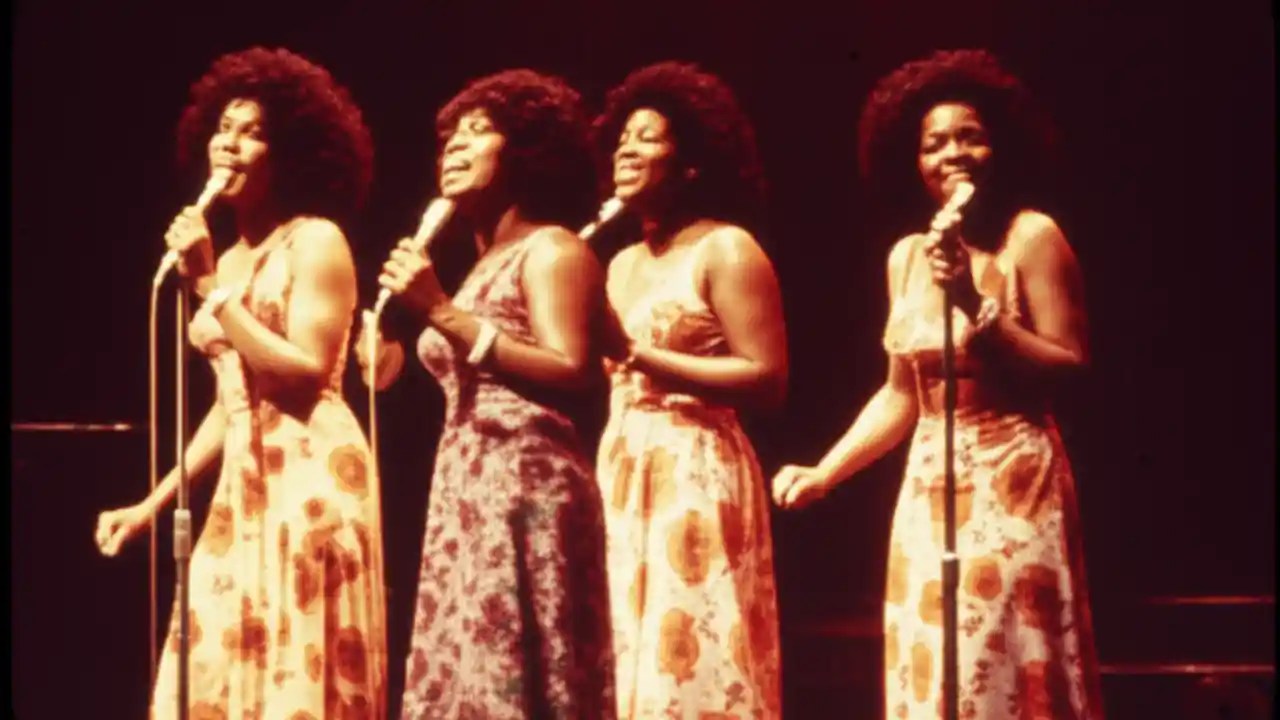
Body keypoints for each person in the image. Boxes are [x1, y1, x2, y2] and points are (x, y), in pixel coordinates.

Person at [771, 49, 1104, 718]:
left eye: (969, 136)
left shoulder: (1030, 236)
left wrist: (977, 309)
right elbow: (901, 393)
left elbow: (1070, 364)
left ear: (999, 147)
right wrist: (825, 472)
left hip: (1015, 479)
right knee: (935, 660)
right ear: (912, 161)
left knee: (1000, 660)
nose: (952, 152)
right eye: (934, 143)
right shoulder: (907, 256)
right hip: (928, 486)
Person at [94, 47, 387, 719]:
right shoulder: (228, 257)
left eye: (252, 130)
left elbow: (305, 373)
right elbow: (234, 404)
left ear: (290, 151)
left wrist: (210, 291)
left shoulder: (317, 241)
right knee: (219, 663)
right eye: (224, 128)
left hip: (310, 475)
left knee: (294, 663)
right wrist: (152, 504)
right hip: (244, 484)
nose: (230, 143)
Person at [354, 69, 615, 719]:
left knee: (519, 669)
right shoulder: (477, 266)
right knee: (468, 662)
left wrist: (440, 309)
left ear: (527, 150)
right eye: (450, 138)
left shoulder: (553, 249)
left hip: (528, 480)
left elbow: (574, 367)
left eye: (480, 131)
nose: (457, 147)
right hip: (467, 481)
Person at [591, 61, 787, 719]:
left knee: (690, 646)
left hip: (695, 468)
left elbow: (765, 376)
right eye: (623, 135)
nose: (627, 146)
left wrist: (640, 355)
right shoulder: (617, 263)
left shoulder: (728, 250)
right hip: (621, 464)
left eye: (648, 136)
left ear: (693, 163)